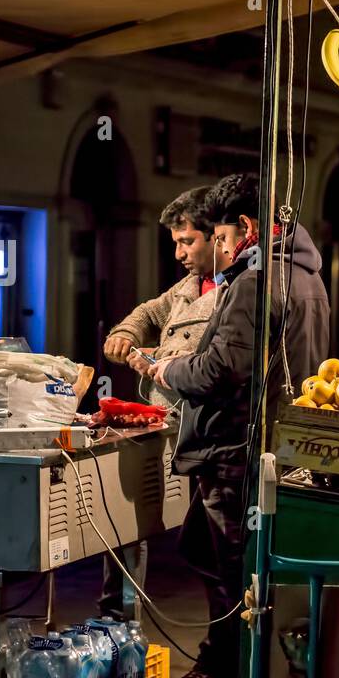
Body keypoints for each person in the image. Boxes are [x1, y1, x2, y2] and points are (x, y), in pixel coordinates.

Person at [131, 173, 330, 678]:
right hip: (272, 445)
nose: (215, 251)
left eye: (217, 238)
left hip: (234, 447)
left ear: (244, 228)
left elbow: (223, 367)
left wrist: (168, 368)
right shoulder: (308, 275)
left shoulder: (253, 280)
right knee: (216, 555)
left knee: (236, 572)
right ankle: (232, 675)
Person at [96, 187, 219, 618]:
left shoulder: (237, 291)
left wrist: (159, 363)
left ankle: (221, 644)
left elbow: (217, 364)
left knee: (208, 546)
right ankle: (118, 618)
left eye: (188, 242)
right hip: (161, 417)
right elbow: (150, 312)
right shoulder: (189, 285)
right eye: (176, 244)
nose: (180, 253)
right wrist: (127, 333)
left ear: (217, 236)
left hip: (204, 428)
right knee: (127, 521)